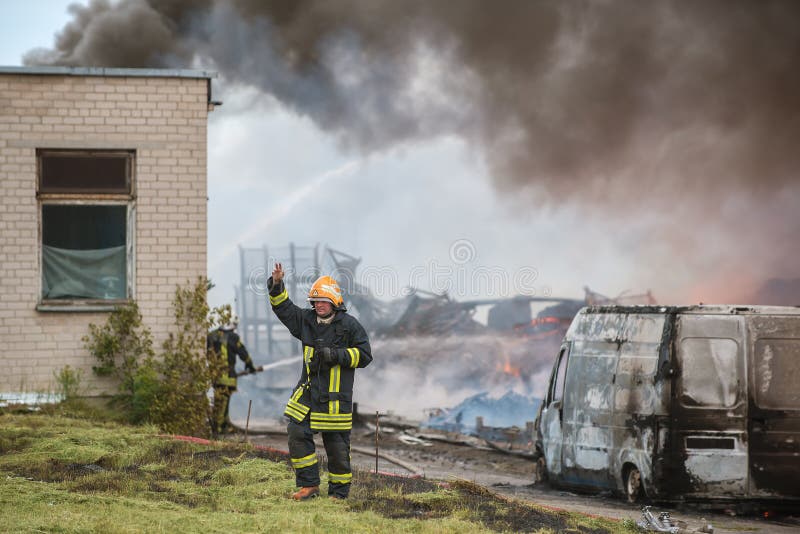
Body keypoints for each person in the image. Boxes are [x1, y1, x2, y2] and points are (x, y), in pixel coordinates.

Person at [268, 262, 372, 500]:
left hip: (335, 399)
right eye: (315, 302)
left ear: (335, 301)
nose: (318, 306)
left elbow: (365, 356)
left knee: (336, 447)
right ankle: (309, 485)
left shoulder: (350, 326)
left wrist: (337, 355)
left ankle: (338, 493)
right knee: (296, 430)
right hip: (307, 393)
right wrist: (276, 284)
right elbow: (283, 308)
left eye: (323, 301)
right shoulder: (306, 320)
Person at [206, 314, 256, 436]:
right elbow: (242, 352)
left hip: (215, 376)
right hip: (228, 377)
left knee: (218, 400)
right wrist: (250, 365)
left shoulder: (211, 335)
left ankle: (221, 425)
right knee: (224, 401)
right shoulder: (233, 337)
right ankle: (219, 428)